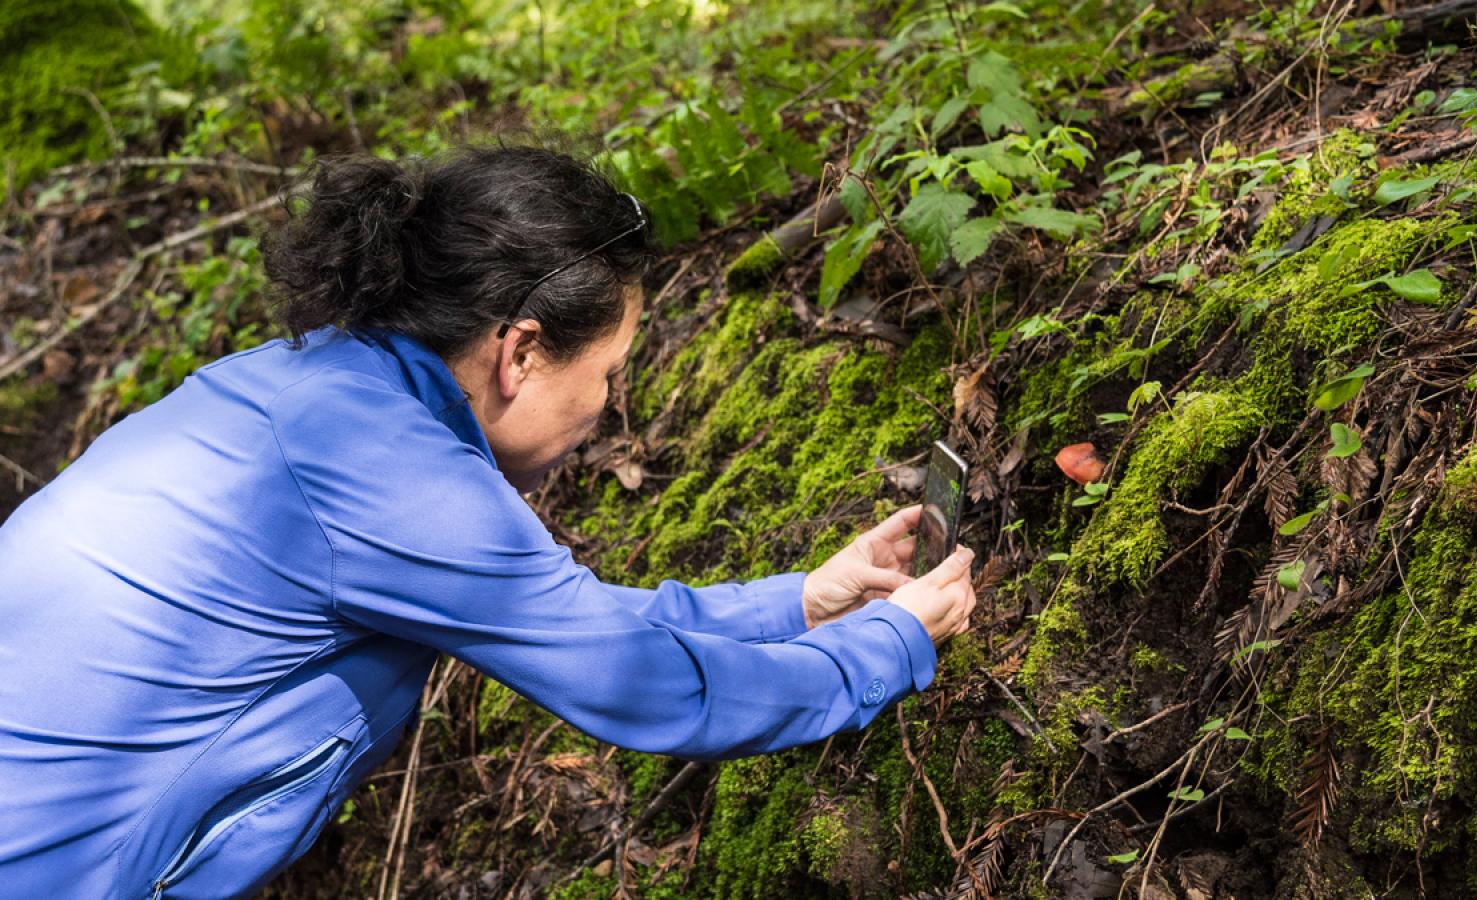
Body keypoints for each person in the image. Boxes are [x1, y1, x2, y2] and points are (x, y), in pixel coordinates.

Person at [0, 142, 977, 897]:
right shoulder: (390, 471)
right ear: (521, 352)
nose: (609, 408)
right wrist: (886, 649)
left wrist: (801, 604)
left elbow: (566, 620)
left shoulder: (305, 387)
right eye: (609, 373)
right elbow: (646, 691)